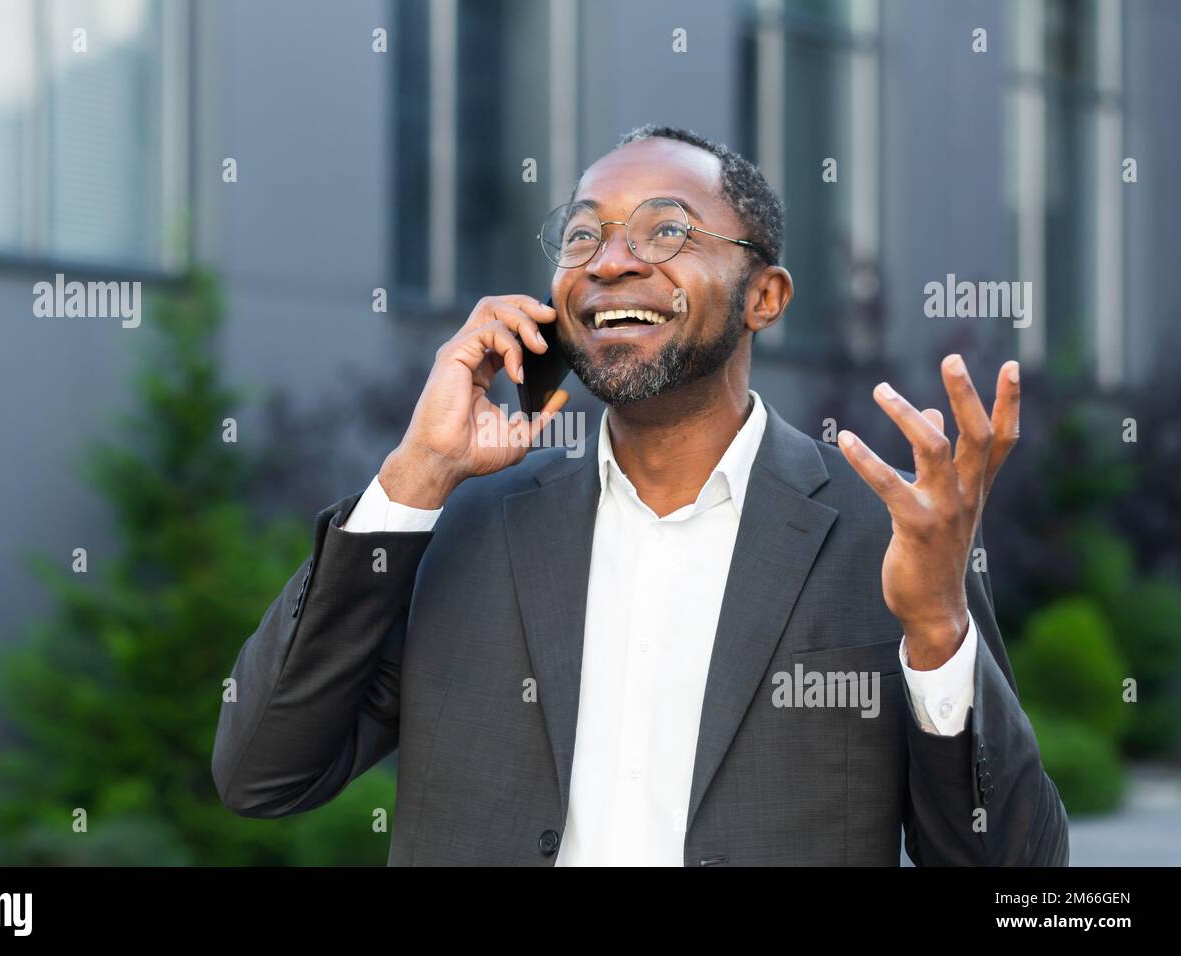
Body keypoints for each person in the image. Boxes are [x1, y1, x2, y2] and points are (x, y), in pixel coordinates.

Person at [212, 125, 1069, 866]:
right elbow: (262, 771)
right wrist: (412, 475)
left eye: (666, 232)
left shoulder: (885, 537)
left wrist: (935, 632)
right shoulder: (462, 524)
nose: (612, 261)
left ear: (764, 297)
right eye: (583, 237)